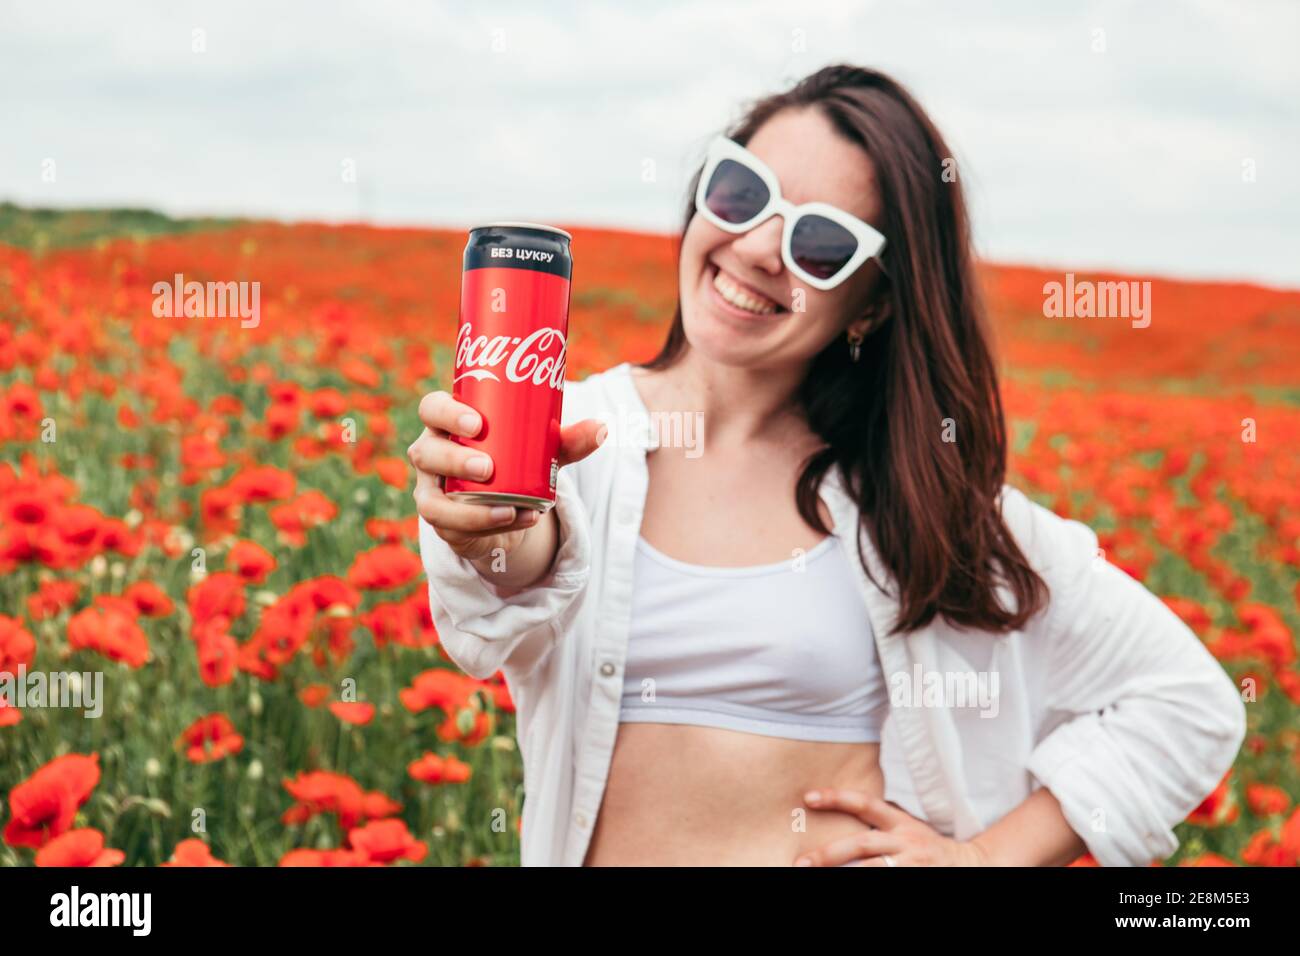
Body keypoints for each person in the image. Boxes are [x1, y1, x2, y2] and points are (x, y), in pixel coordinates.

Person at [407, 64, 1246, 866]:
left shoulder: (916, 505)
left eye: (822, 243)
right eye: (740, 192)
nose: (761, 246)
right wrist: (492, 518)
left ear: (874, 300)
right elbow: (512, 576)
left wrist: (987, 857)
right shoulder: (572, 439)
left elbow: (1187, 704)